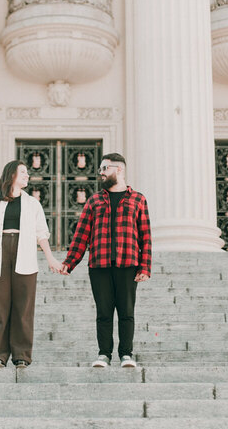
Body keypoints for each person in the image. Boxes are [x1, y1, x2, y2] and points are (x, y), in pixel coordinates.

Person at [61, 153, 151, 368]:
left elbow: (145, 235)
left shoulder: (138, 199)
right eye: (101, 169)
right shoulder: (94, 200)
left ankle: (126, 354)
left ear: (118, 169)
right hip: (99, 265)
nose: (100, 173)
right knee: (104, 312)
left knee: (127, 312)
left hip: (128, 264)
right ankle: (104, 354)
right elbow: (82, 234)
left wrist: (145, 266)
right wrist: (69, 262)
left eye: (104, 168)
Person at [0, 160, 62, 369]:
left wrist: (50, 258)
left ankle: (21, 355)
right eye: (23, 172)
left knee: (23, 306)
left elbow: (41, 234)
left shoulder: (32, 203)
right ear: (12, 175)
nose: (27, 175)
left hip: (25, 254)